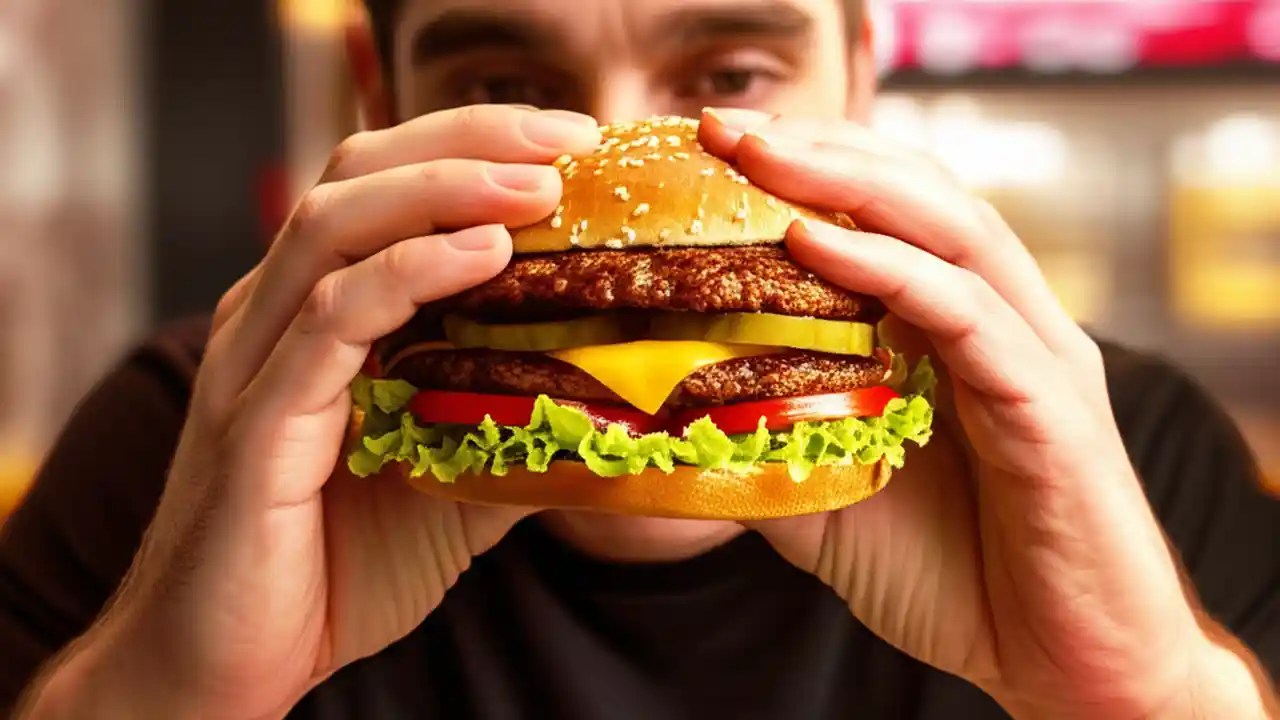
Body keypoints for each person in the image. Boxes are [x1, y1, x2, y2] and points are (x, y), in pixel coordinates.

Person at [3, 0, 1277, 717]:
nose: (613, 144)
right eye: (505, 74)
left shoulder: (1124, 448)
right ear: (374, 94)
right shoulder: (187, 441)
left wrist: (1140, 696)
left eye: (730, 70)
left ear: (860, 81)